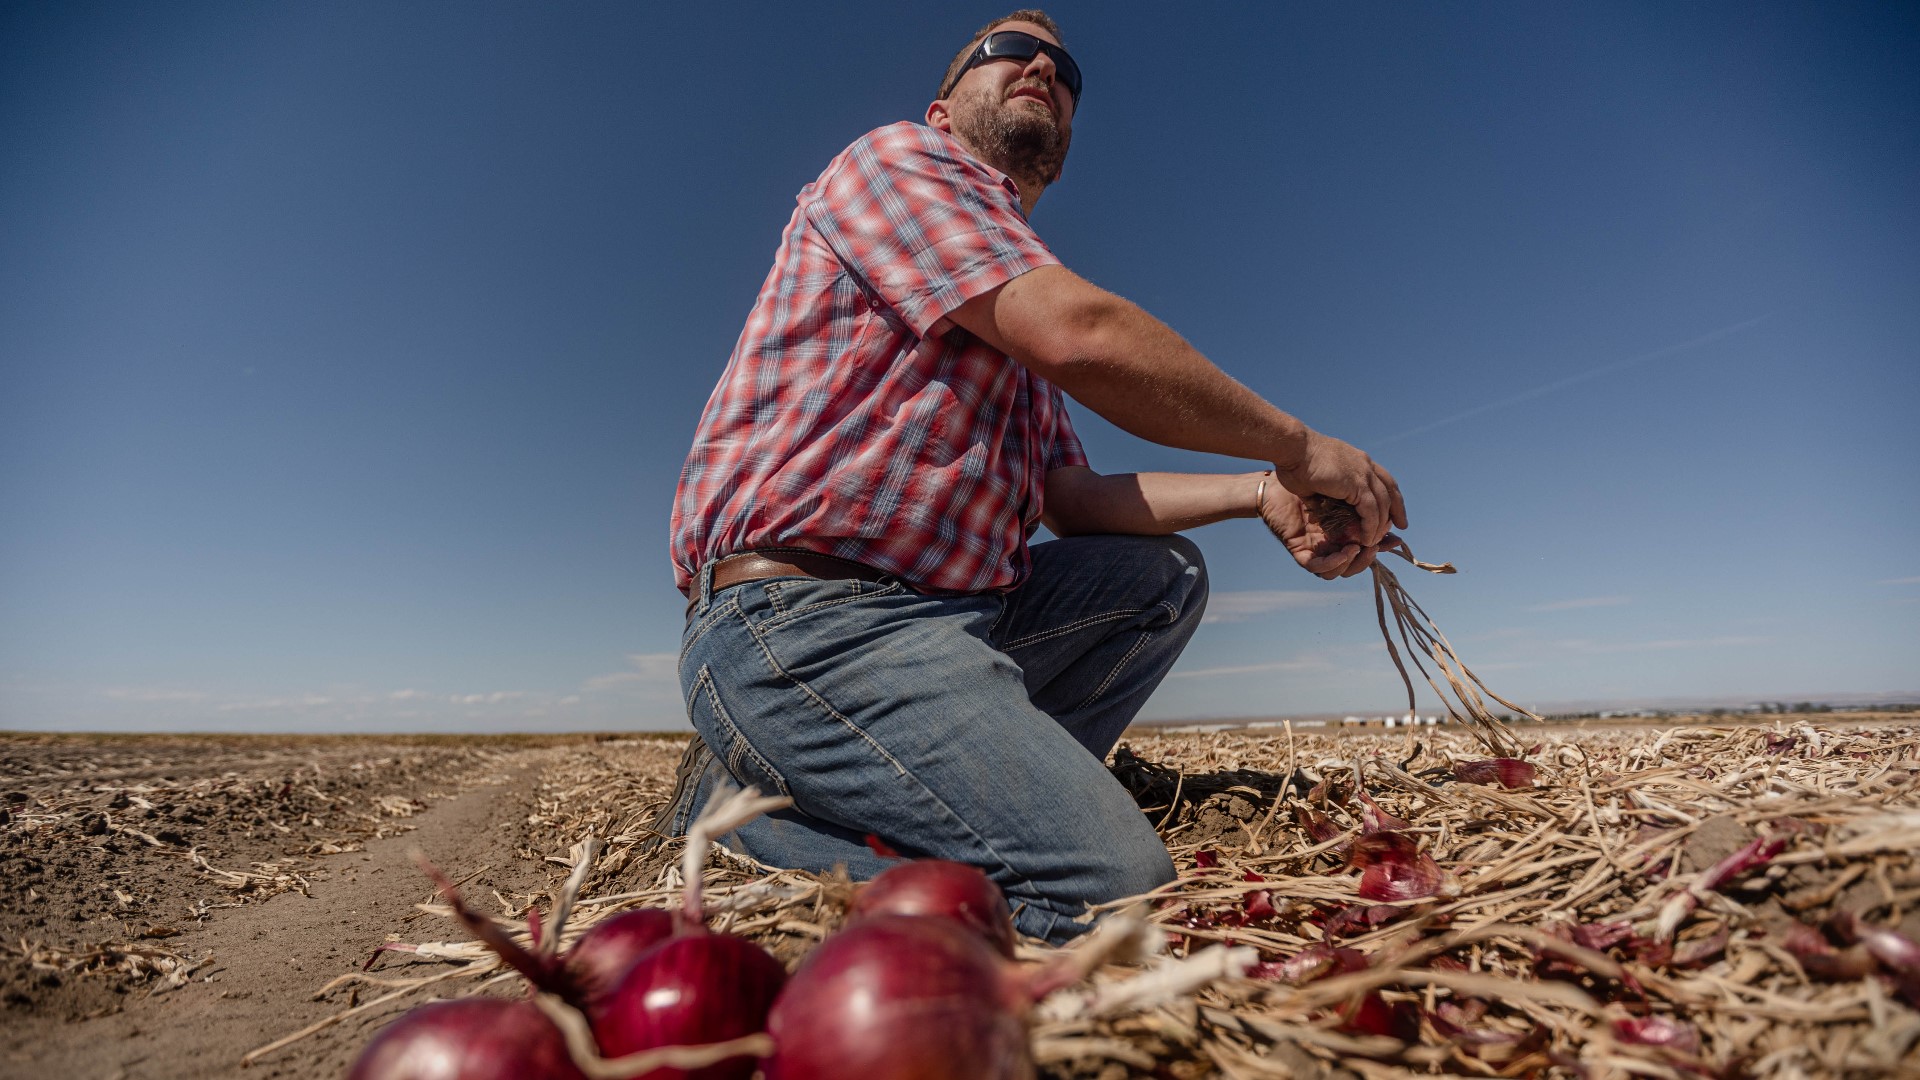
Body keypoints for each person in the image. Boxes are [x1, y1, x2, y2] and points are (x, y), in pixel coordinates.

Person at [659, 10, 1405, 943]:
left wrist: (1262, 490)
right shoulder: (898, 162)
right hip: (805, 621)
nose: (1043, 68)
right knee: (1109, 890)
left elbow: (1072, 501)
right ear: (942, 107)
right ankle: (751, 825)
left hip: (949, 622)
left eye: (1065, 70)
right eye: (1009, 52)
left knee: (1161, 577)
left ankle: (958, 800)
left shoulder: (1010, 327)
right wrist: (1297, 444)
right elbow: (1079, 334)